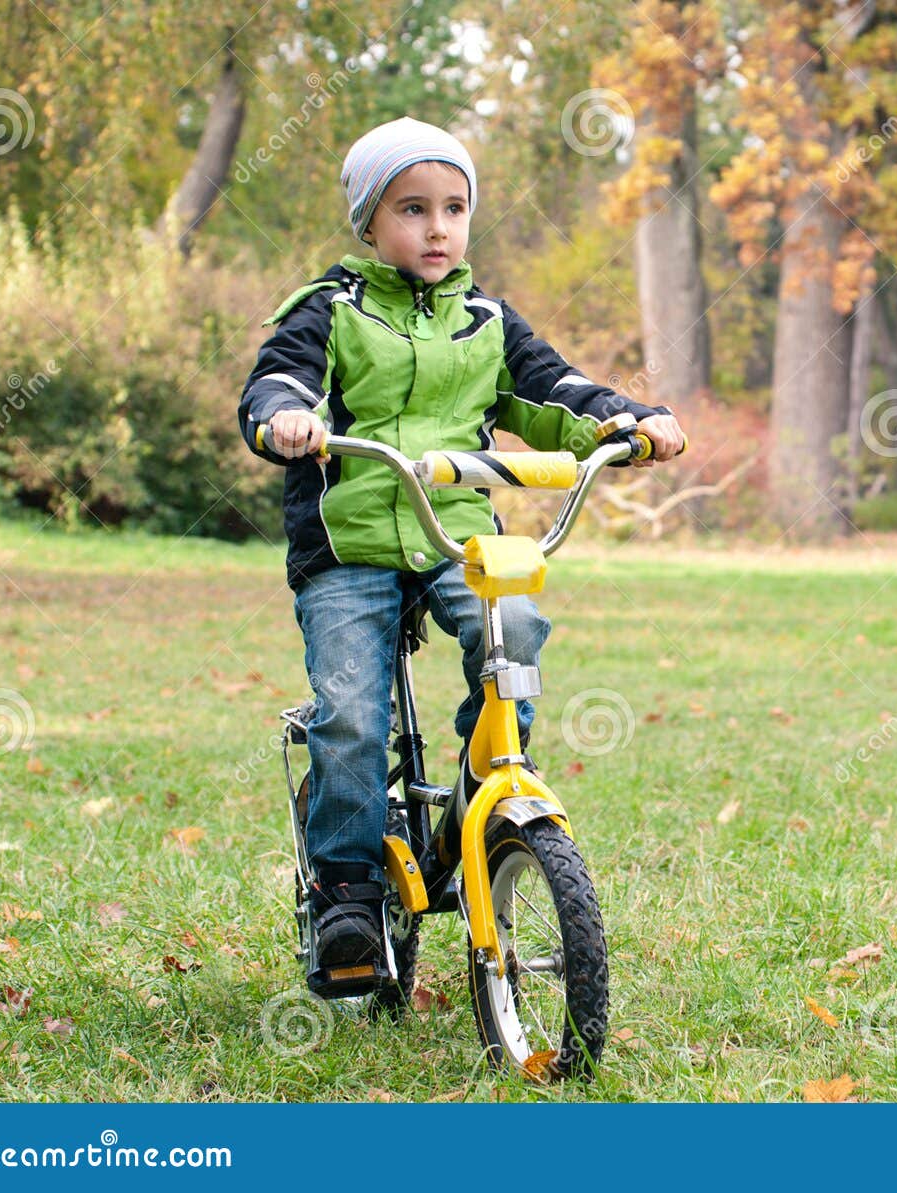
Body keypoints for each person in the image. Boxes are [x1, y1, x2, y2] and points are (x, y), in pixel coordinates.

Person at [237, 116, 685, 990]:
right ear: (370, 221)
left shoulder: (487, 319)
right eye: (412, 209)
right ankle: (349, 892)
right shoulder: (327, 310)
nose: (437, 228)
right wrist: (286, 417)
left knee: (513, 618)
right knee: (354, 713)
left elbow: (553, 389)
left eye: (454, 207)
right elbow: (279, 380)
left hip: (453, 527)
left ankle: (490, 781)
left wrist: (625, 419)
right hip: (351, 539)